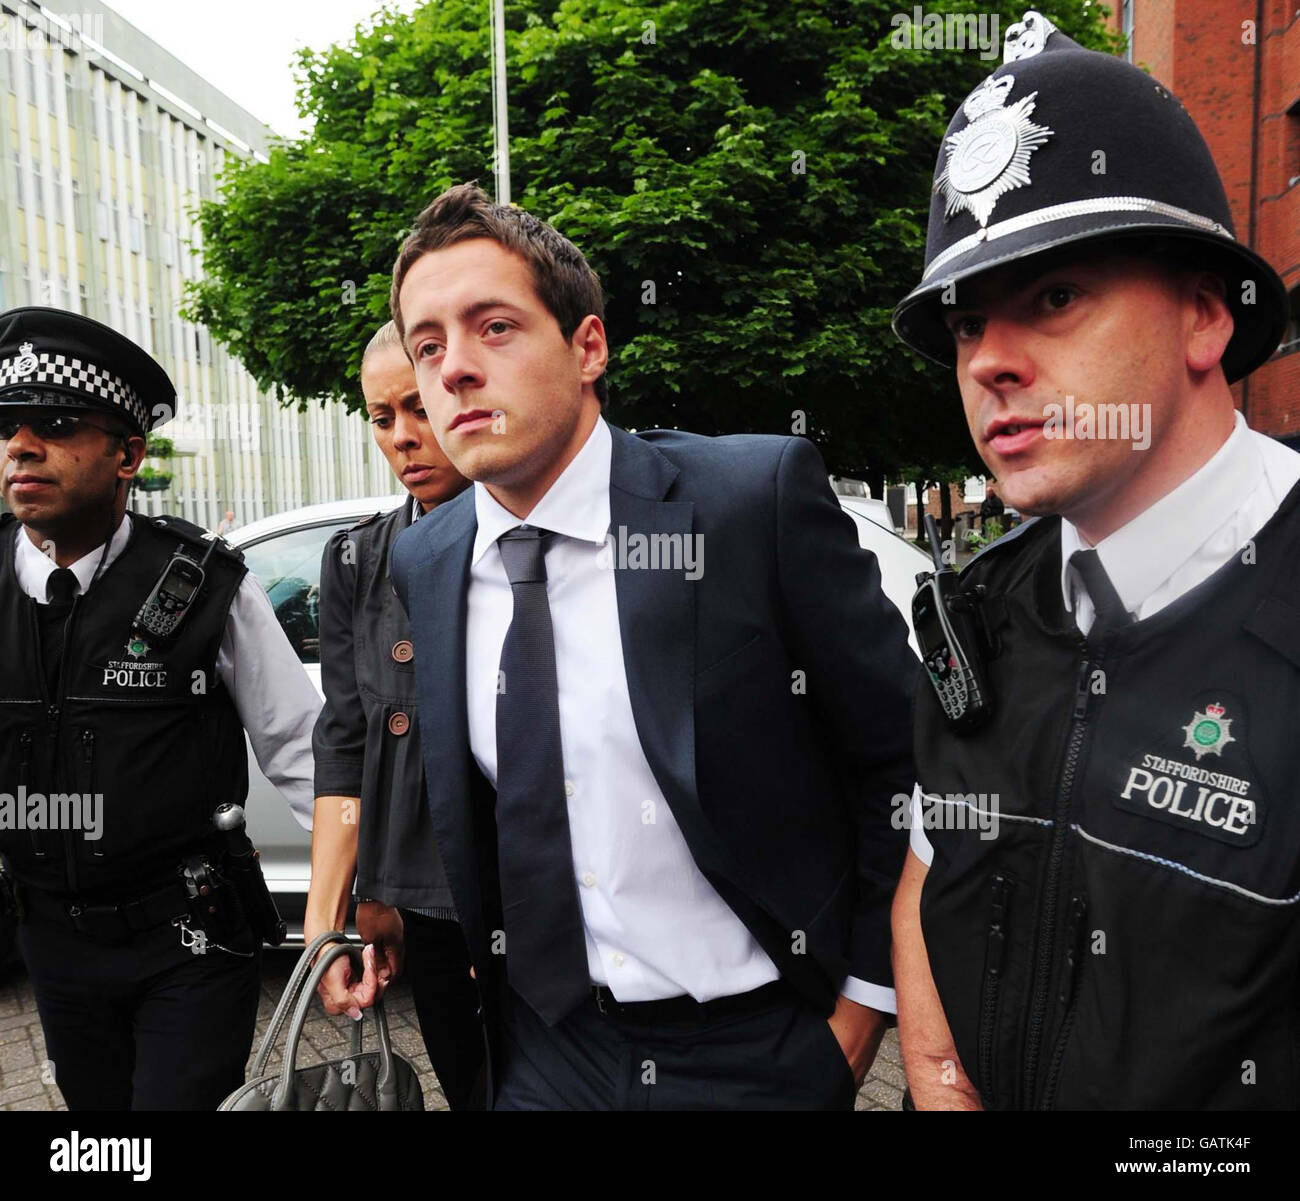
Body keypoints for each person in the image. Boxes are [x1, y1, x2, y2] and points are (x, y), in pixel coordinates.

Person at [387, 183, 918, 1110]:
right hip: (545, 1052)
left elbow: (903, 758)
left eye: (494, 328)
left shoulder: (750, 502)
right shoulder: (427, 555)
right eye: (428, 345)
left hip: (755, 1047)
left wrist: (858, 1012)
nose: (454, 370)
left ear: (588, 346)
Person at [889, 12, 1297, 1110]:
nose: (991, 364)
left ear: (1202, 316)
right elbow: (931, 868)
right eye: (967, 325)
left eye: (1054, 298)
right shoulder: (972, 613)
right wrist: (934, 1084)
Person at [0, 306, 321, 1110]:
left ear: (128, 455)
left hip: (190, 933)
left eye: (57, 424)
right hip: (50, 937)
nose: (21, 446)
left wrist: (368, 892)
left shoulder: (204, 582)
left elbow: (300, 748)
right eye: (9, 426)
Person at [307, 319, 485, 1109]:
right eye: (383, 418)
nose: (405, 437)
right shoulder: (356, 559)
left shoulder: (530, 539)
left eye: (419, 407)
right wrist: (333, 922)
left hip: (545, 904)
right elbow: (349, 740)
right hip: (430, 911)